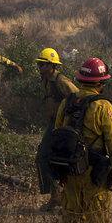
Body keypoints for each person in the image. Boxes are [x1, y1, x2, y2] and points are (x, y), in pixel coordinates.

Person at [56, 57, 112, 223]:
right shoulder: (104, 106)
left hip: (69, 170)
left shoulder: (66, 102)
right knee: (96, 220)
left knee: (70, 216)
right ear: (101, 82)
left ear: (79, 79)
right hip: (95, 173)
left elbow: (58, 133)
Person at [35, 47, 77, 211]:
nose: (40, 68)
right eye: (39, 65)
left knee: (46, 157)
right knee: (45, 158)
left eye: (43, 65)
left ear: (52, 66)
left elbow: (78, 97)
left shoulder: (61, 81)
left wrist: (70, 122)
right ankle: (57, 196)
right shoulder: (46, 81)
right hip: (54, 124)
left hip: (63, 127)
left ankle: (60, 197)